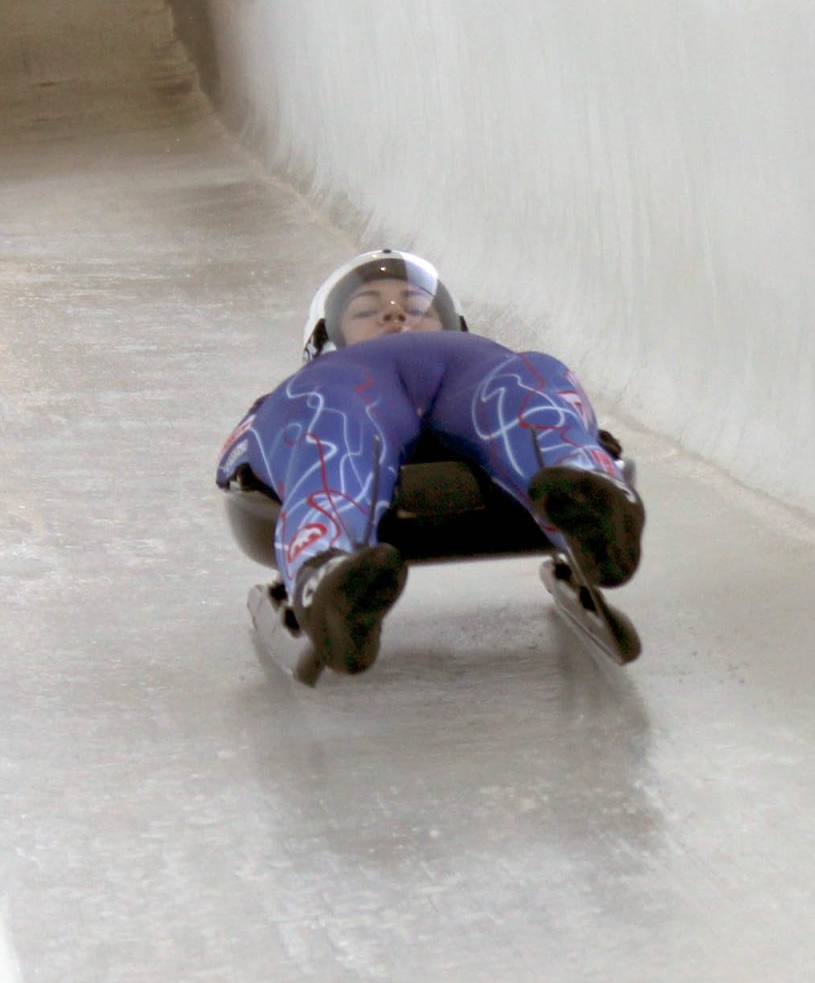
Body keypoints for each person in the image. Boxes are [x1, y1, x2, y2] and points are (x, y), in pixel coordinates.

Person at [217, 249, 644, 675]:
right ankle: (329, 578)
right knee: (324, 421)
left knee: (527, 381)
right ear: (325, 338)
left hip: (471, 377)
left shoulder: (480, 356)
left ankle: (591, 500)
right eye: (367, 311)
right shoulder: (319, 382)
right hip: (350, 392)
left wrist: (594, 438)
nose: (395, 316)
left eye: (417, 307)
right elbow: (247, 447)